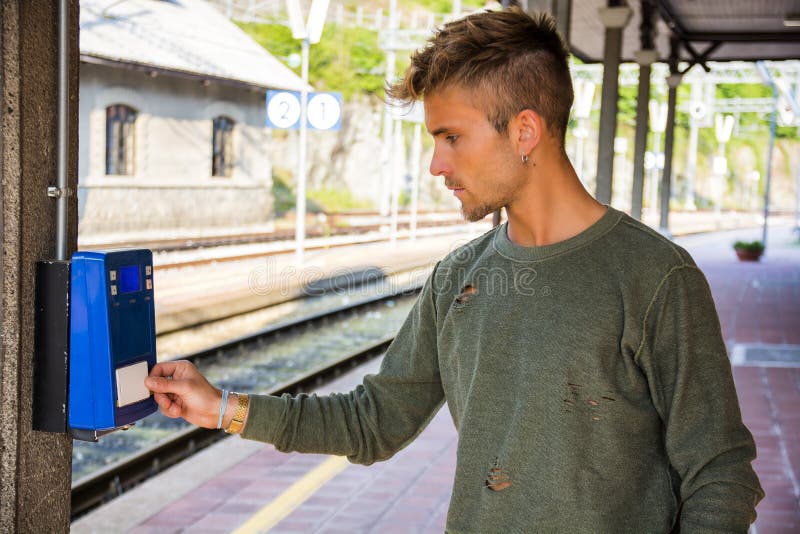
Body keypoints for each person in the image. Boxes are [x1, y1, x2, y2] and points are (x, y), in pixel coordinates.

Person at [146, 7, 764, 532]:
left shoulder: (655, 277)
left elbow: (721, 473)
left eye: (451, 138)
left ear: (524, 131)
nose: (436, 165)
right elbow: (374, 421)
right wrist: (221, 408)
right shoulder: (457, 278)